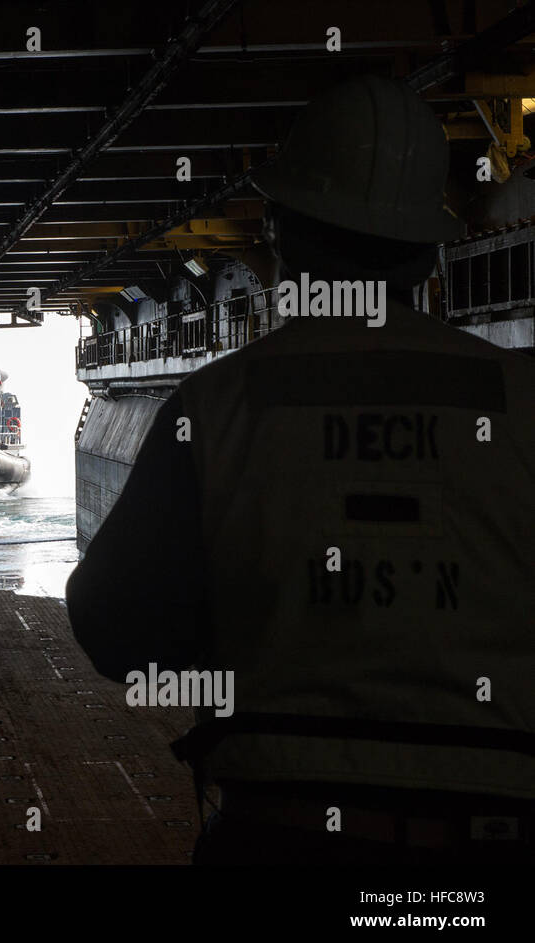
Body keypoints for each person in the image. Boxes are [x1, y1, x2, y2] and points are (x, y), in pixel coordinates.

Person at [66, 75, 535, 864]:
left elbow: (113, 627)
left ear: (281, 235)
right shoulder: (520, 401)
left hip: (286, 839)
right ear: (428, 252)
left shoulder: (215, 409)